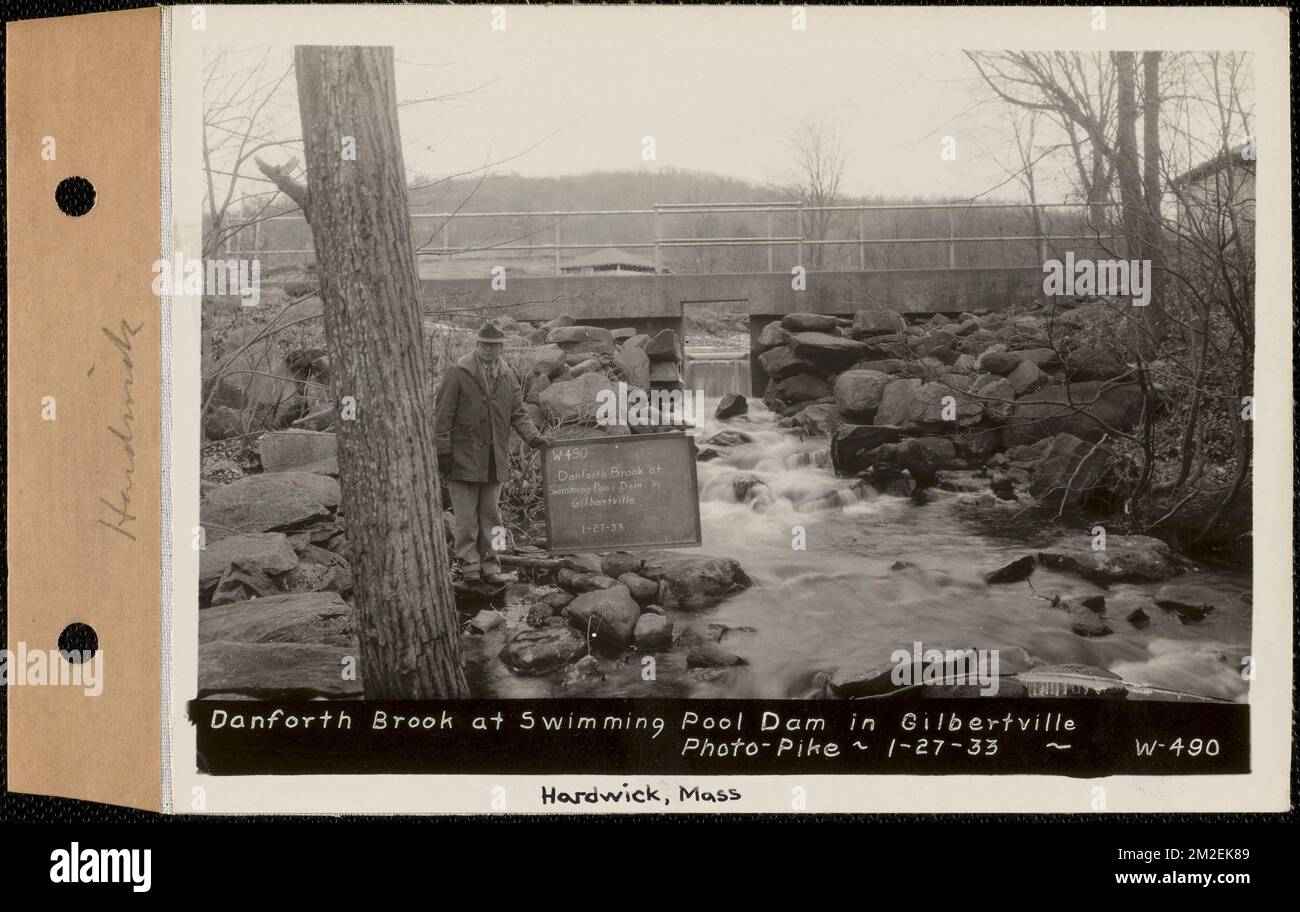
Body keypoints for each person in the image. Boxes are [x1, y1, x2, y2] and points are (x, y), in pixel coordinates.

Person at [434, 320, 547, 584]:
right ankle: (470, 567)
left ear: (500, 348)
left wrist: (534, 438)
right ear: (477, 345)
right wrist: (443, 453)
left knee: (492, 516)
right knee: (465, 520)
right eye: (484, 344)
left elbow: (518, 414)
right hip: (462, 460)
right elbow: (441, 417)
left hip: (495, 462)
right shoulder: (458, 373)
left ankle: (491, 565)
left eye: (494, 345)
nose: (488, 349)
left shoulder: (508, 376)